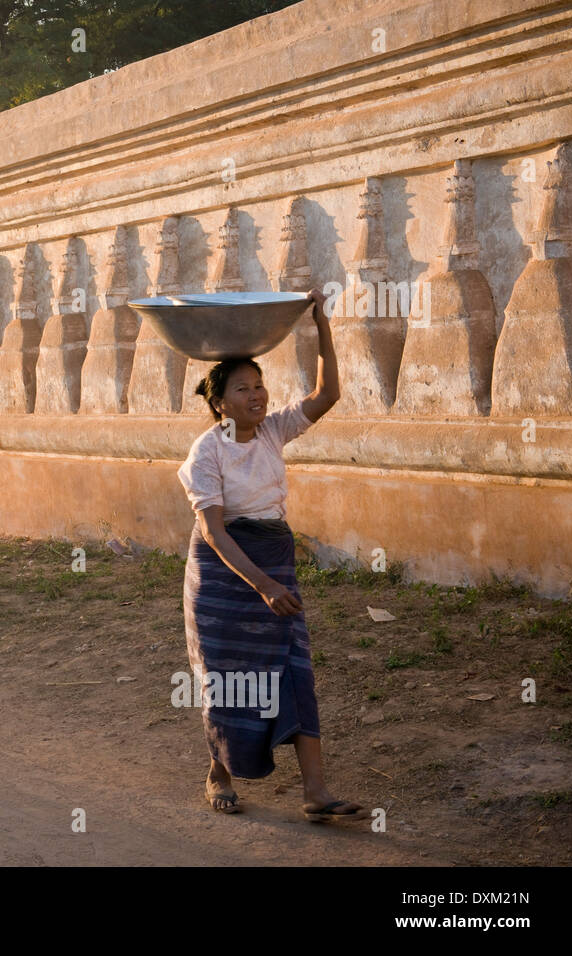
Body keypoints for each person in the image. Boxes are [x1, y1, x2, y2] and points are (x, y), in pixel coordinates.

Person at [176, 288, 363, 822]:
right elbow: (213, 533)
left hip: (274, 559)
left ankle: (316, 792)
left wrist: (319, 325)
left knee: (291, 666)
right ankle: (219, 773)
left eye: (260, 386)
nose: (257, 396)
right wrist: (262, 585)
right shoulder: (206, 452)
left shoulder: (274, 430)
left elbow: (327, 393)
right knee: (228, 674)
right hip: (224, 574)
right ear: (219, 403)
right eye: (243, 388)